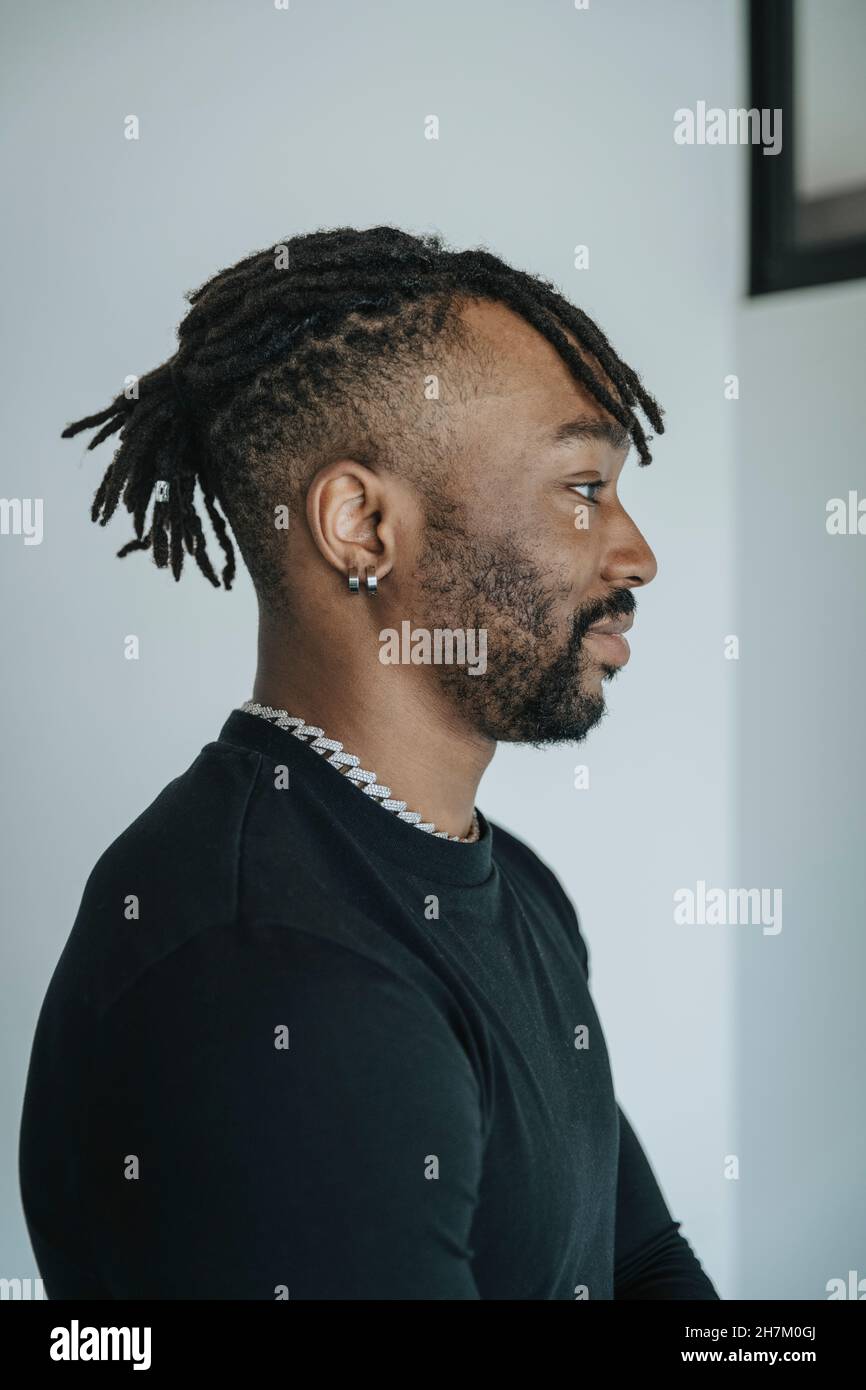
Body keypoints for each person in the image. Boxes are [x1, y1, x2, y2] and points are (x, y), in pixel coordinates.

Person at [19, 226, 719, 1299]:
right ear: (361, 526)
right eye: (581, 486)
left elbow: (639, 1263)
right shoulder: (266, 971)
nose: (636, 554)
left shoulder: (513, 888)